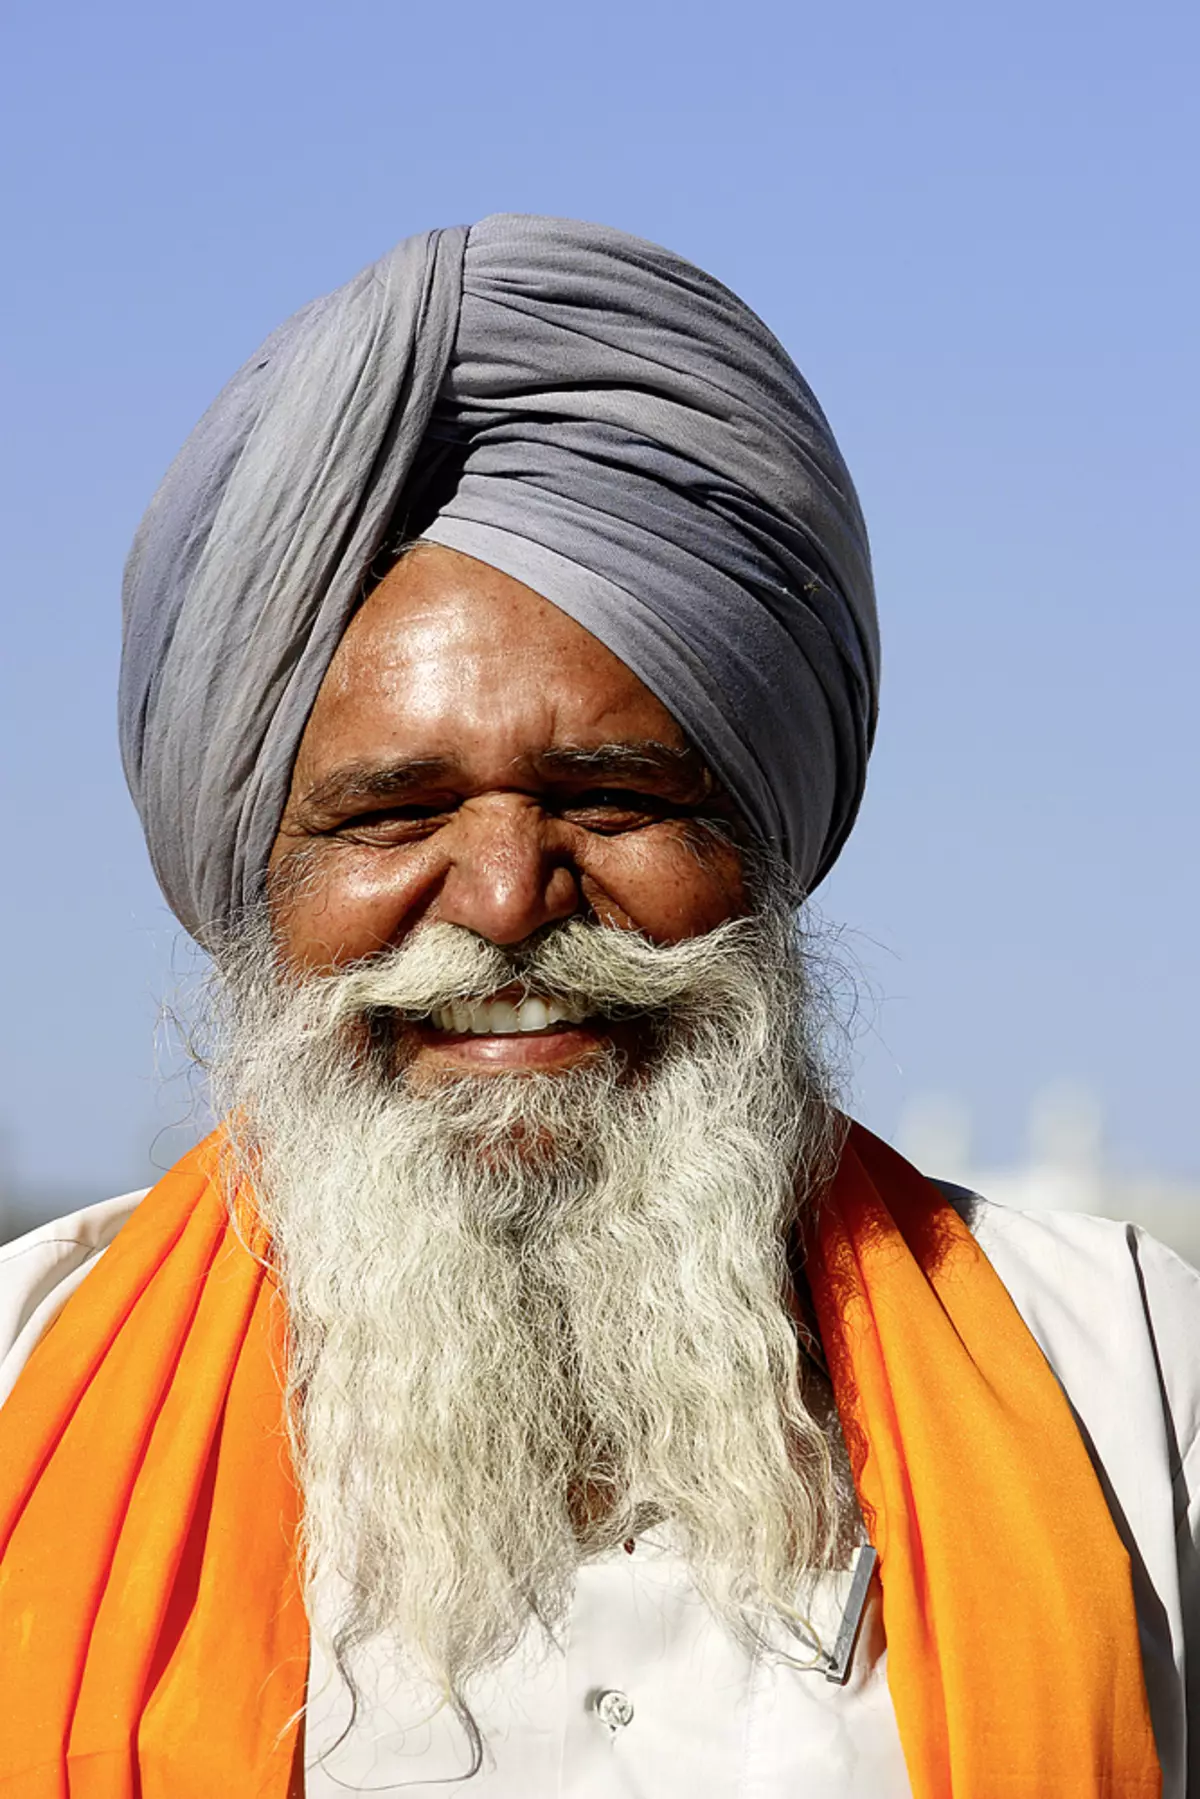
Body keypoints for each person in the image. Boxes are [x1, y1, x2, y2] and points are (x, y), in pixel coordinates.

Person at [0, 215, 1194, 1799]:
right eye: (390, 815)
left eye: (612, 795)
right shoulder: (26, 1392)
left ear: (759, 842)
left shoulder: (1127, 1386)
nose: (505, 900)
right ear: (256, 878)